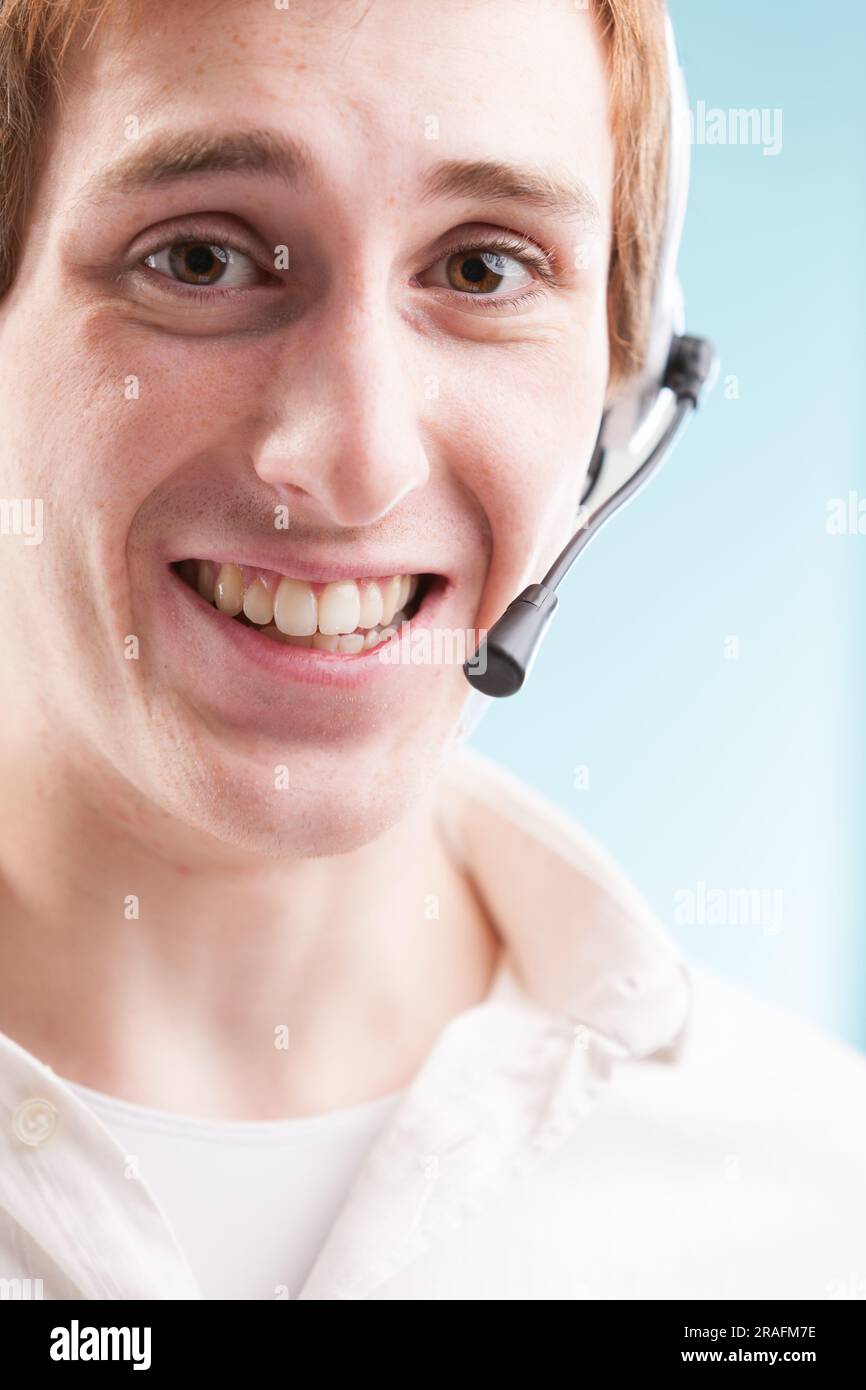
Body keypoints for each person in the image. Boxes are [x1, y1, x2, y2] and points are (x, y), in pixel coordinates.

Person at [0, 0, 863, 1303]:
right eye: (199, 258)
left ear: (619, 395)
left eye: (480, 269)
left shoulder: (816, 1205)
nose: (353, 461)